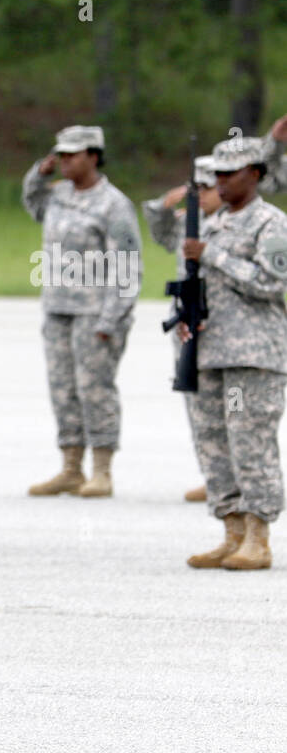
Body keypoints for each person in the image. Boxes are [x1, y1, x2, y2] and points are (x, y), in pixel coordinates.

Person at [179, 136, 287, 570]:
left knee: (249, 442)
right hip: (210, 353)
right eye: (217, 174)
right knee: (214, 443)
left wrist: (214, 257)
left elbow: (273, 283)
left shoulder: (271, 224)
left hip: (252, 358)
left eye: (230, 173)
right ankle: (232, 531)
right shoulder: (212, 223)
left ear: (256, 174)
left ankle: (258, 537)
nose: (220, 181)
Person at [22, 125, 141, 498]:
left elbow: (126, 266)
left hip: (95, 311)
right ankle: (71, 467)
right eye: (61, 154)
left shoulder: (113, 204)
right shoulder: (58, 195)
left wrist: (112, 318)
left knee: (95, 390)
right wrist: (38, 175)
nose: (64, 161)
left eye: (73, 154)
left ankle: (102, 470)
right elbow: (32, 203)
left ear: (93, 155)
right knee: (63, 388)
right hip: (58, 307)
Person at [142, 155, 222, 504]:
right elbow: (159, 233)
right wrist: (165, 203)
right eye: (196, 188)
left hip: (223, 326)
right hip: (188, 324)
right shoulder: (185, 222)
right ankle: (211, 473)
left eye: (208, 187)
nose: (201, 195)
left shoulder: (231, 224)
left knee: (228, 406)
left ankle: (228, 476)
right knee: (195, 401)